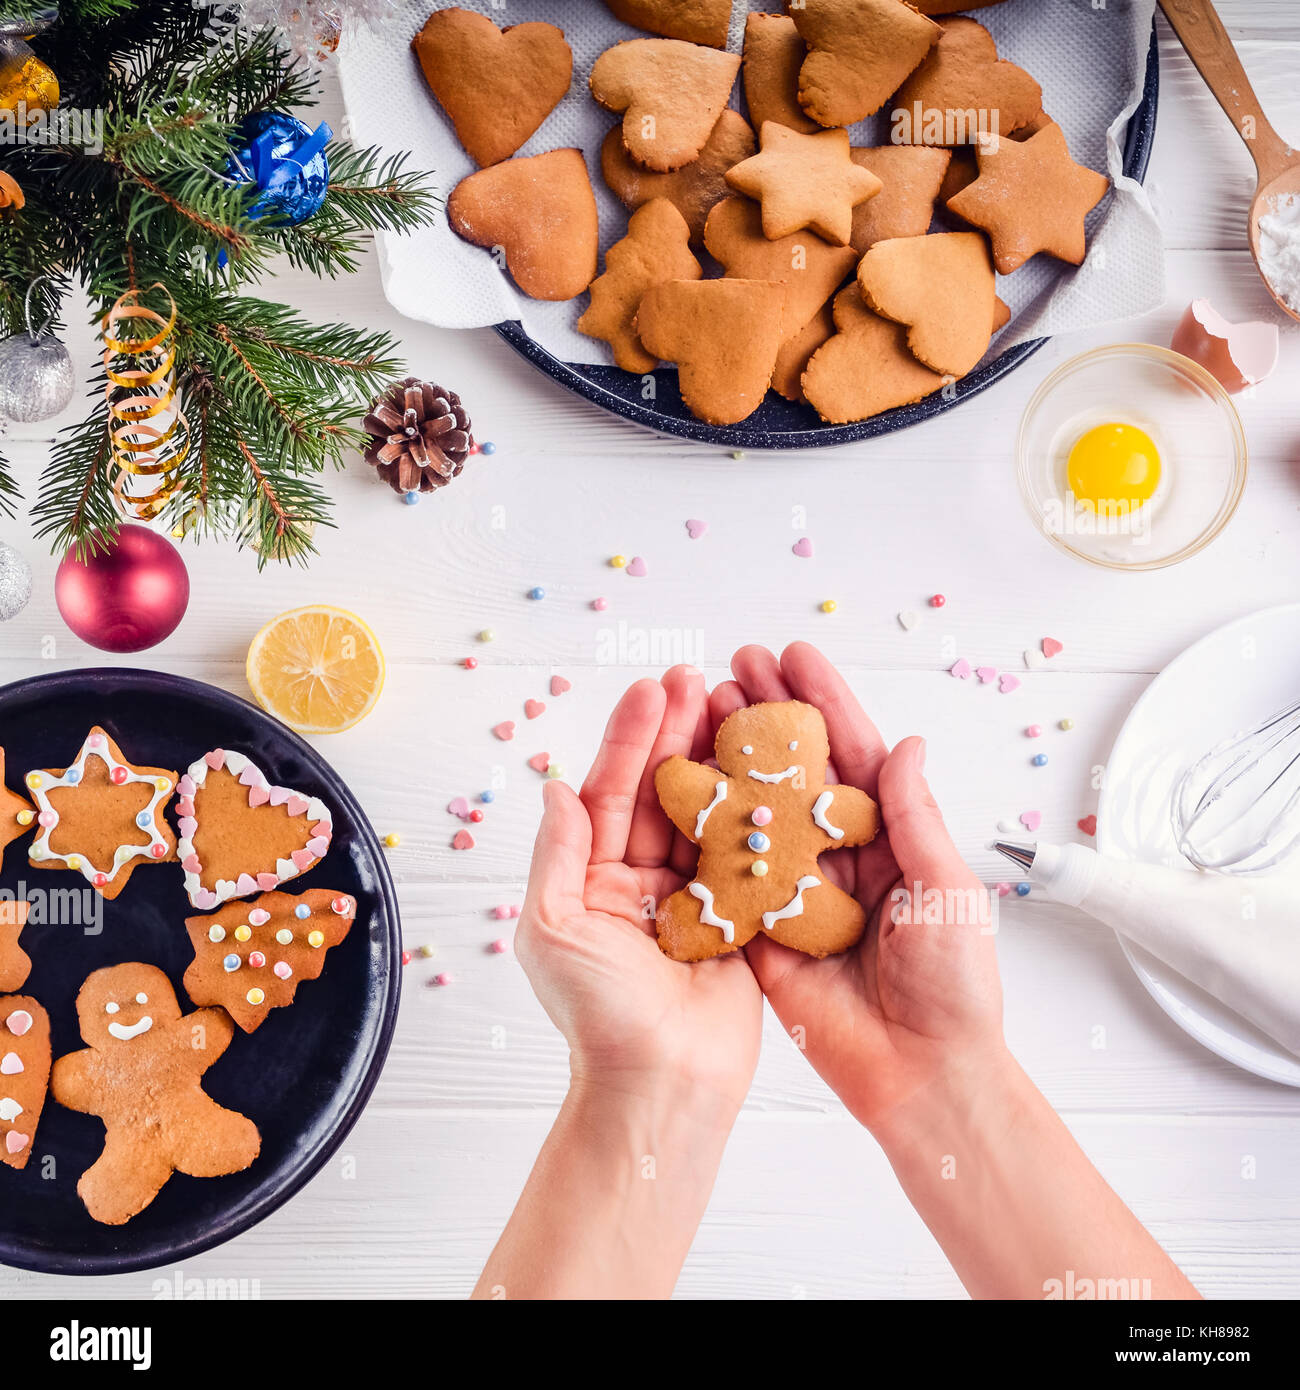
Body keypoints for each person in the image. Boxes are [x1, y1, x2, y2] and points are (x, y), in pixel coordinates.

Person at [473, 643, 1199, 1301]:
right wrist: (645, 1078)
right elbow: (681, 786)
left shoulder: (818, 809)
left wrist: (946, 1065)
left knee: (810, 913)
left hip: (796, 905)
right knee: (711, 918)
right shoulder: (716, 797)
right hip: (716, 908)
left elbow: (848, 812)